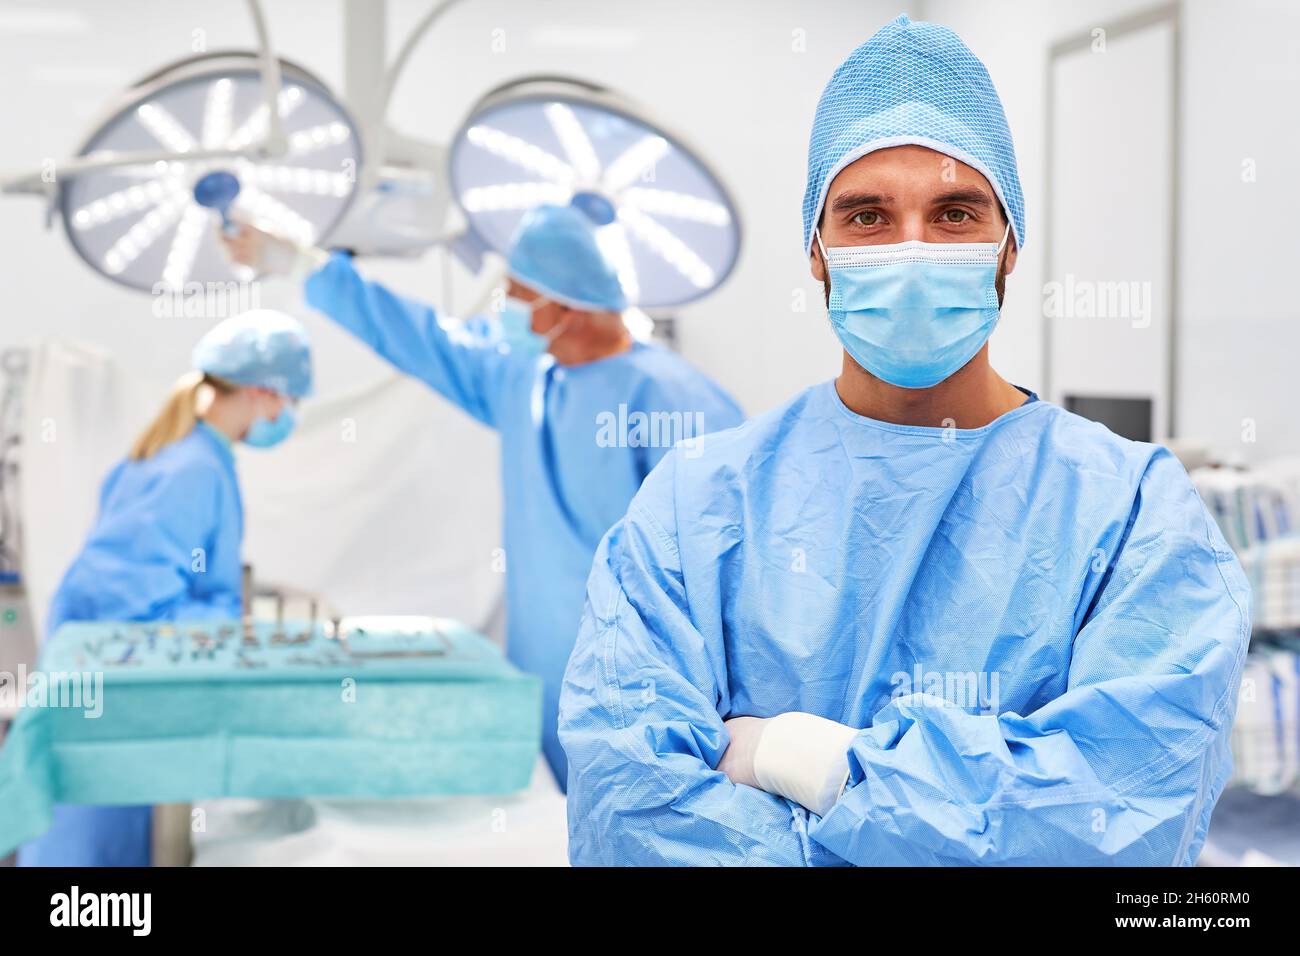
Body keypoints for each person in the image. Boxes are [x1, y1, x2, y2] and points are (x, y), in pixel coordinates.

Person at [559, 14, 1250, 866]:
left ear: (1009, 245)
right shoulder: (695, 505)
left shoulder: (1133, 512)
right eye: (868, 217)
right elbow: (629, 807)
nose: (913, 250)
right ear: (816, 250)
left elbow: (1113, 820)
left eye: (956, 212)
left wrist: (802, 759)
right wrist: (944, 809)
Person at [221, 201, 744, 789]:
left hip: (650, 697)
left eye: (518, 294)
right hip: (547, 681)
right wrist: (305, 265)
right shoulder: (525, 381)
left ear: (565, 307)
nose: (508, 310)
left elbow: (734, 567)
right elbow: (421, 338)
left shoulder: (675, 401)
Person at [18, 309, 312, 867]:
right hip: (110, 699)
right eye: (290, 400)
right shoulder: (192, 469)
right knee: (90, 861)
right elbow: (123, 602)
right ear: (261, 392)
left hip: (115, 697)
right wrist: (230, 631)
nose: (288, 414)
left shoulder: (192, 456)